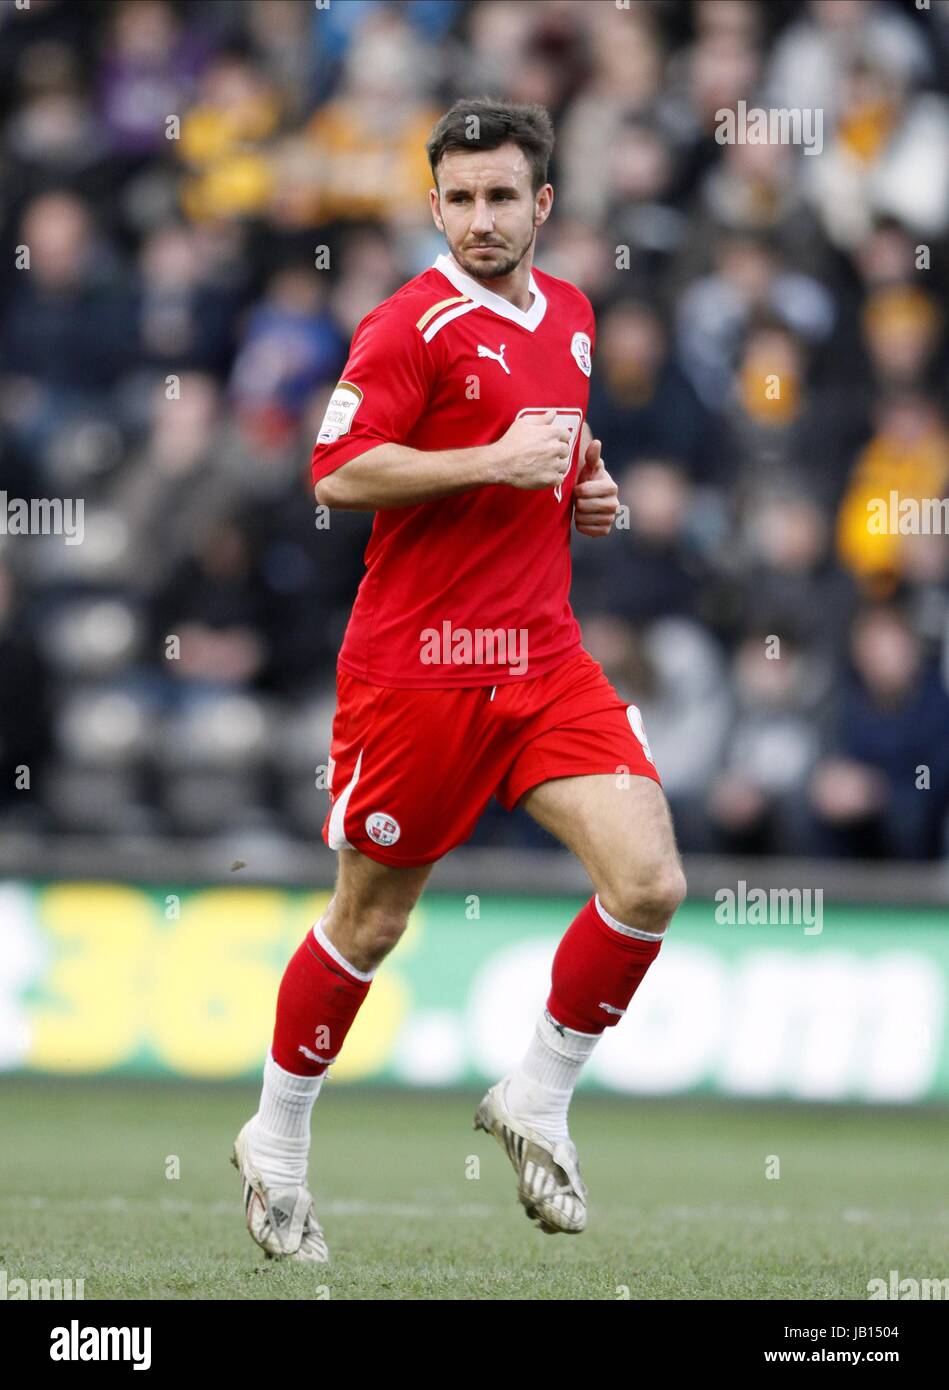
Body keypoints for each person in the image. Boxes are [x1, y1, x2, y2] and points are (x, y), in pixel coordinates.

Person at [231, 99, 687, 1262]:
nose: (480, 218)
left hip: (541, 659)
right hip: (419, 672)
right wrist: (492, 459)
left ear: (541, 205)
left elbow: (561, 450)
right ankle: (275, 1140)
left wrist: (587, 490)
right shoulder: (406, 325)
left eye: (501, 197)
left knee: (648, 880)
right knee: (370, 920)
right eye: (460, 198)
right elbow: (334, 472)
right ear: (434, 205)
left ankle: (537, 1093)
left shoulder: (575, 317)